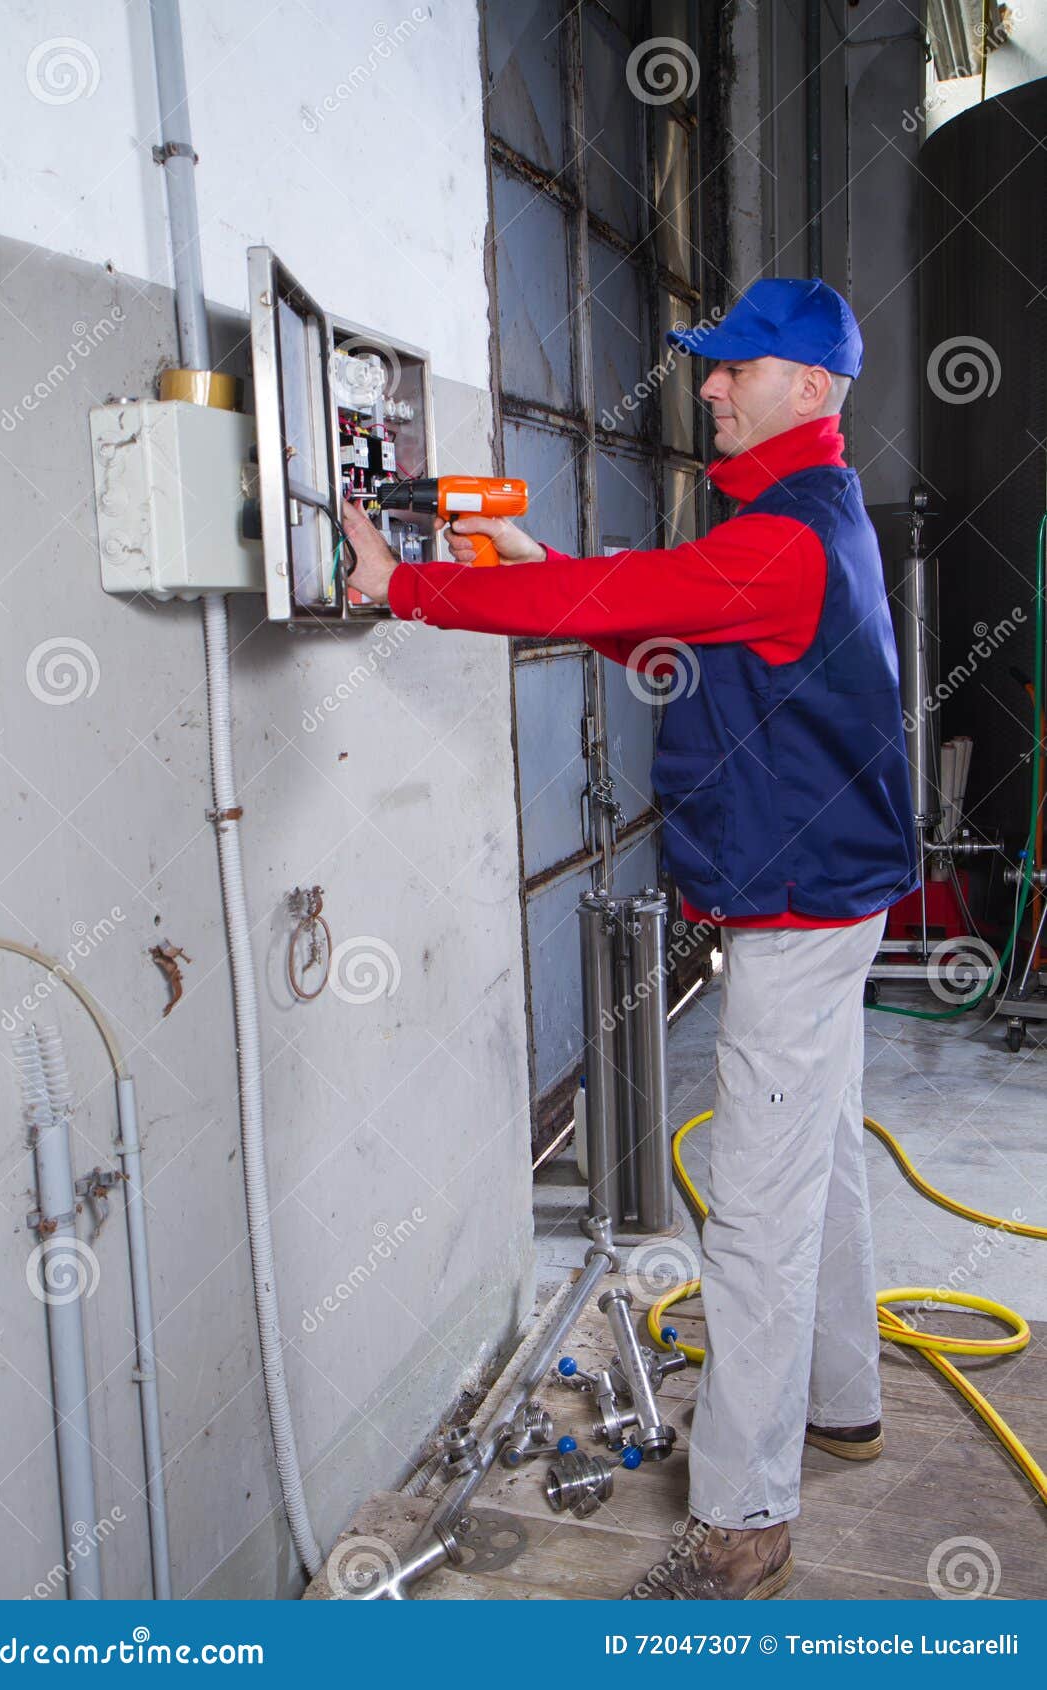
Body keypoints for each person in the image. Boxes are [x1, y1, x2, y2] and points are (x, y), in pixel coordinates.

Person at [339, 277, 918, 1601]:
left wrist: (405, 586)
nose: (707, 387)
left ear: (811, 387)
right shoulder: (800, 522)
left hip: (797, 908)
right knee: (820, 1153)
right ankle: (842, 1403)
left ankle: (747, 1520)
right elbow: (670, 628)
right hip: (832, 893)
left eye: (734, 368)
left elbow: (658, 599)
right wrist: (547, 576)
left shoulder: (780, 539)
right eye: (708, 367)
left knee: (760, 1213)